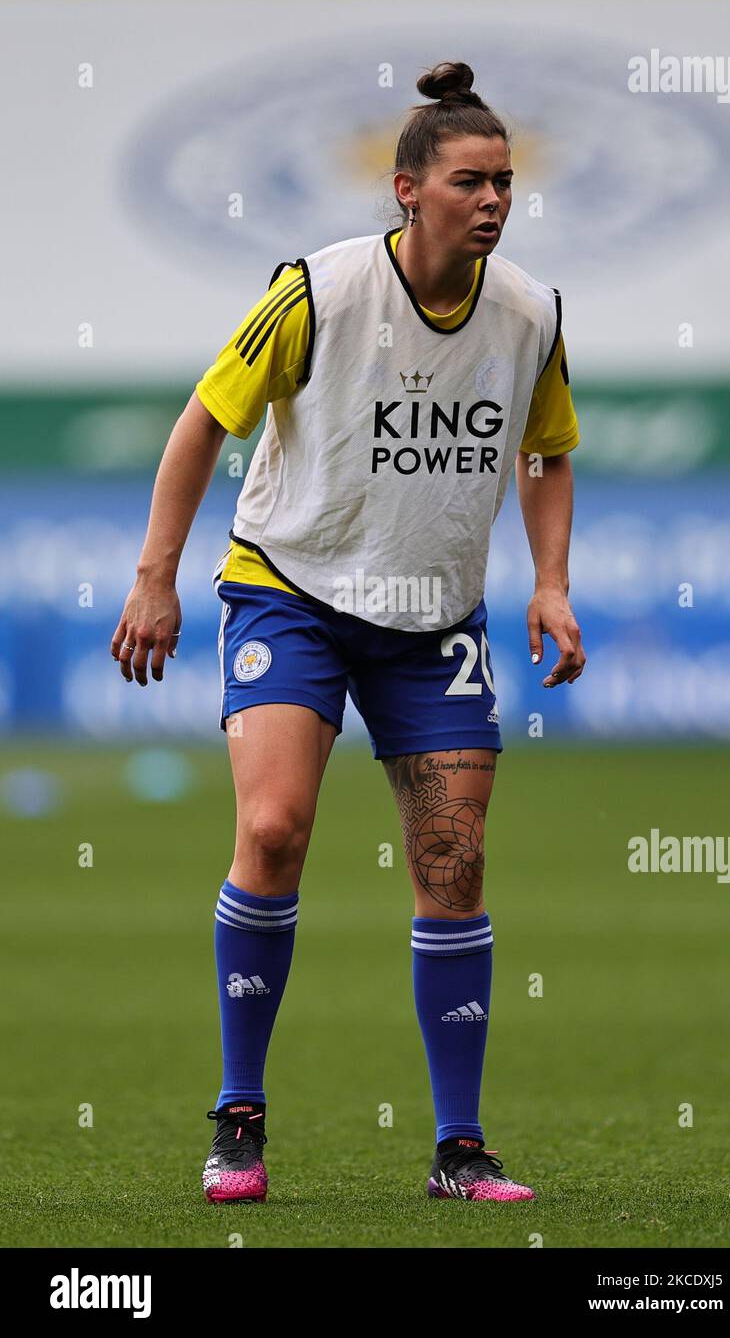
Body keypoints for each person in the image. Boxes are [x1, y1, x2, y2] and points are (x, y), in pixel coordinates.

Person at [111, 59, 586, 1206]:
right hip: (292, 589)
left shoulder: (528, 312)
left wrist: (552, 582)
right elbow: (201, 421)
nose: (493, 200)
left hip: (433, 621)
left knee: (450, 864)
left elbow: (544, 447)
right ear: (404, 189)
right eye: (471, 181)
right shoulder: (319, 292)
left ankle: (458, 1149)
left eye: (505, 182)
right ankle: (237, 1117)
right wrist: (153, 578)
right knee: (272, 830)